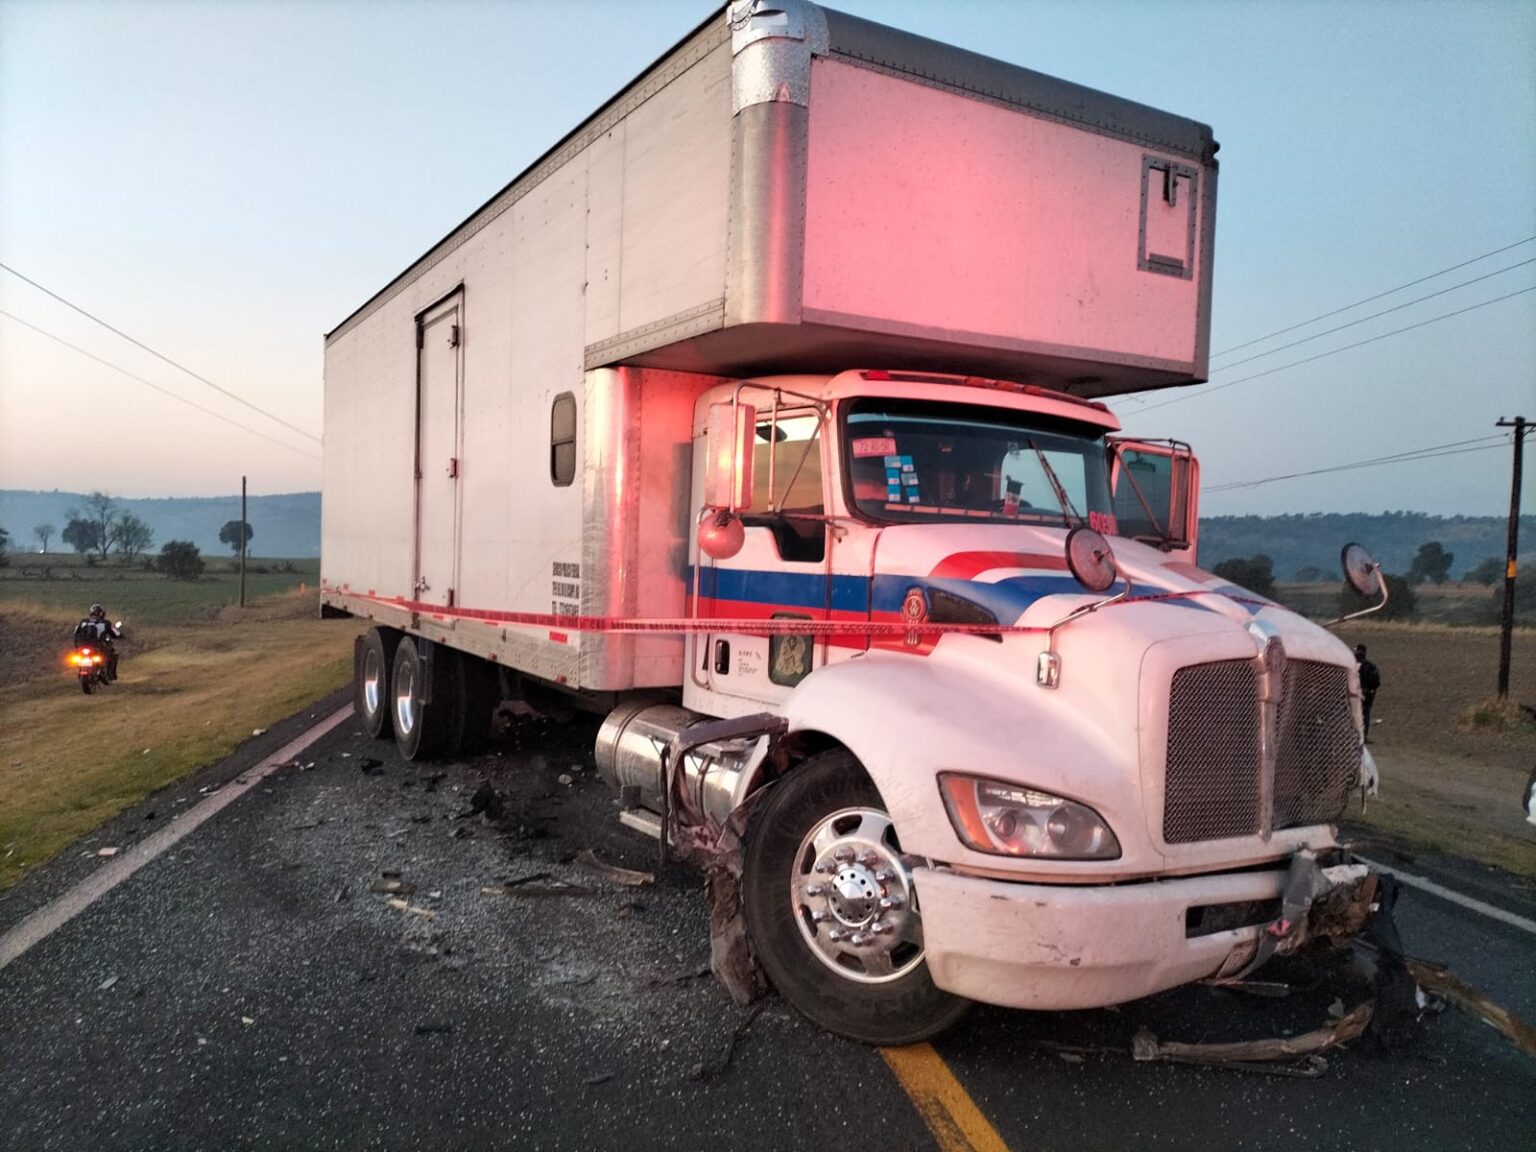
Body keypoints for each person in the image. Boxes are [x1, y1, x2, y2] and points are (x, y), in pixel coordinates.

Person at [75, 604, 123, 682]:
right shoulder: (106, 623)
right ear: (101, 613)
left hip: (82, 646)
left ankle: (82, 670)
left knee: (78, 657)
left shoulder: (83, 622)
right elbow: (116, 634)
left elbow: (76, 633)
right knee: (113, 655)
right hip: (97, 646)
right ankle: (111, 676)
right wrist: (121, 636)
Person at [1354, 644, 1380, 742]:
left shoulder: (1351, 665)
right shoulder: (1369, 666)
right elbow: (1375, 682)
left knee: (1356, 714)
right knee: (1364, 715)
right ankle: (1362, 736)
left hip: (1356, 694)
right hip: (1364, 694)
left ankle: (1357, 736)